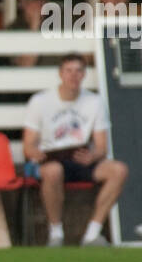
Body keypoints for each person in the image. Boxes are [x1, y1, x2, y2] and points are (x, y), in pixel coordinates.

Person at [22, 55, 128, 247]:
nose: (73, 76)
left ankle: (92, 234)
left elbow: (102, 147)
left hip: (80, 158)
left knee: (118, 170)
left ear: (84, 74)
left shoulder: (94, 102)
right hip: (51, 159)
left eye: (78, 71)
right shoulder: (40, 101)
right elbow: (28, 145)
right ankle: (55, 234)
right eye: (69, 71)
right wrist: (36, 153)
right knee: (53, 171)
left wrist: (92, 155)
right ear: (60, 74)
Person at [7, 0, 50, 67]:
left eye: (43, 0)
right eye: (35, 0)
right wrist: (34, 26)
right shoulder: (13, 30)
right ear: (23, 3)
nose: (40, 4)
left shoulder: (54, 24)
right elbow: (25, 65)